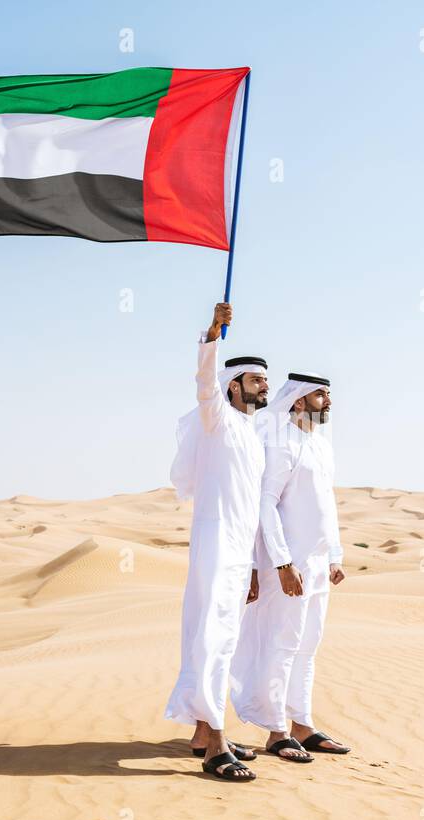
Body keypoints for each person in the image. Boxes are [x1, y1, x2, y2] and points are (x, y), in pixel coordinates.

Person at [164, 302, 269, 781]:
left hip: (236, 549)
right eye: (256, 380)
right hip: (214, 543)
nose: (265, 386)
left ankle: (204, 732)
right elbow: (204, 384)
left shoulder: (250, 434)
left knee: (222, 637)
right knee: (211, 636)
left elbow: (248, 506)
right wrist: (211, 335)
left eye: (266, 381)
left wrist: (250, 565)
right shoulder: (218, 418)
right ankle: (215, 748)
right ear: (234, 385)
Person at [230, 372, 351, 762]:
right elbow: (266, 503)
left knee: (308, 645)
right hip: (288, 565)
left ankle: (303, 724)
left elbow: (325, 505)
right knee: (283, 644)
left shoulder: (320, 445)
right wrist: (282, 561)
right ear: (297, 400)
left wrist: (335, 556)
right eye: (320, 395)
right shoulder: (280, 442)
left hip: (317, 566)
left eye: (328, 395)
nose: (327, 401)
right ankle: (276, 729)